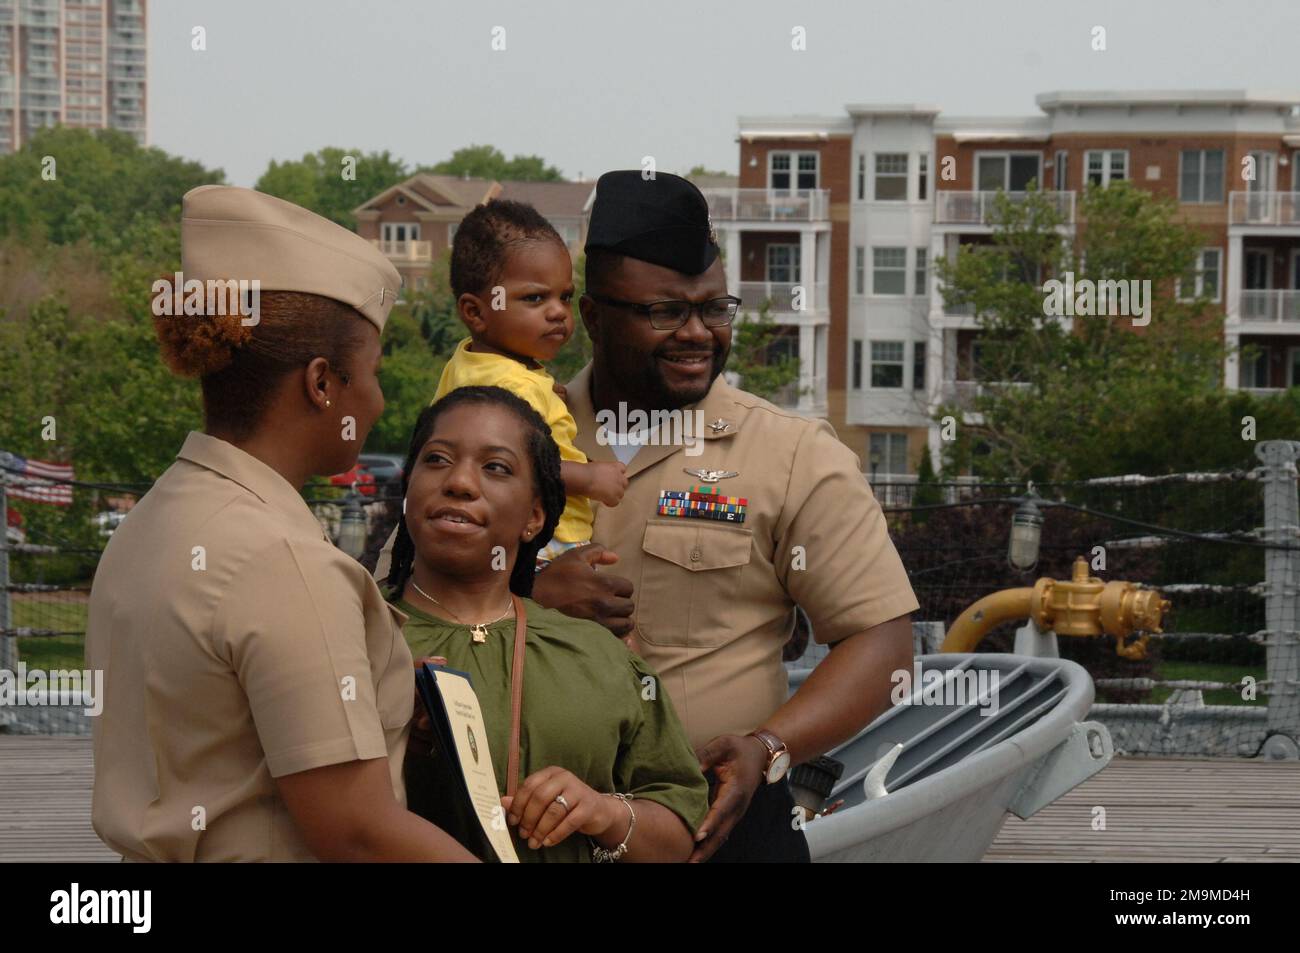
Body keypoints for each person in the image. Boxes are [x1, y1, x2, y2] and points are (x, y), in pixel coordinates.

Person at [533, 171, 920, 862]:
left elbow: (884, 649)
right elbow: (403, 608)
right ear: (593, 318)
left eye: (716, 308)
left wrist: (769, 746)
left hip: (723, 827)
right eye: (665, 312)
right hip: (534, 822)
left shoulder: (793, 453)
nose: (697, 334)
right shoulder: (512, 439)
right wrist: (527, 593)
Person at [86, 185, 476, 861]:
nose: (380, 400)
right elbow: (355, 832)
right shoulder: (283, 562)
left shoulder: (154, 520)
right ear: (323, 382)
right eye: (374, 372)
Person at [385, 385, 708, 862]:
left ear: (535, 516)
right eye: (436, 459)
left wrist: (604, 813)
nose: (459, 482)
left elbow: (679, 831)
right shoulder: (355, 633)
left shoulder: (598, 654)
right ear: (409, 488)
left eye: (496, 467)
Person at [428, 199, 628, 564]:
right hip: (542, 544)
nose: (557, 312)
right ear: (475, 312)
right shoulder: (511, 388)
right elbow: (514, 467)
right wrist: (591, 478)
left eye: (564, 296)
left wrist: (546, 399)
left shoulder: (469, 361)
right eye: (534, 298)